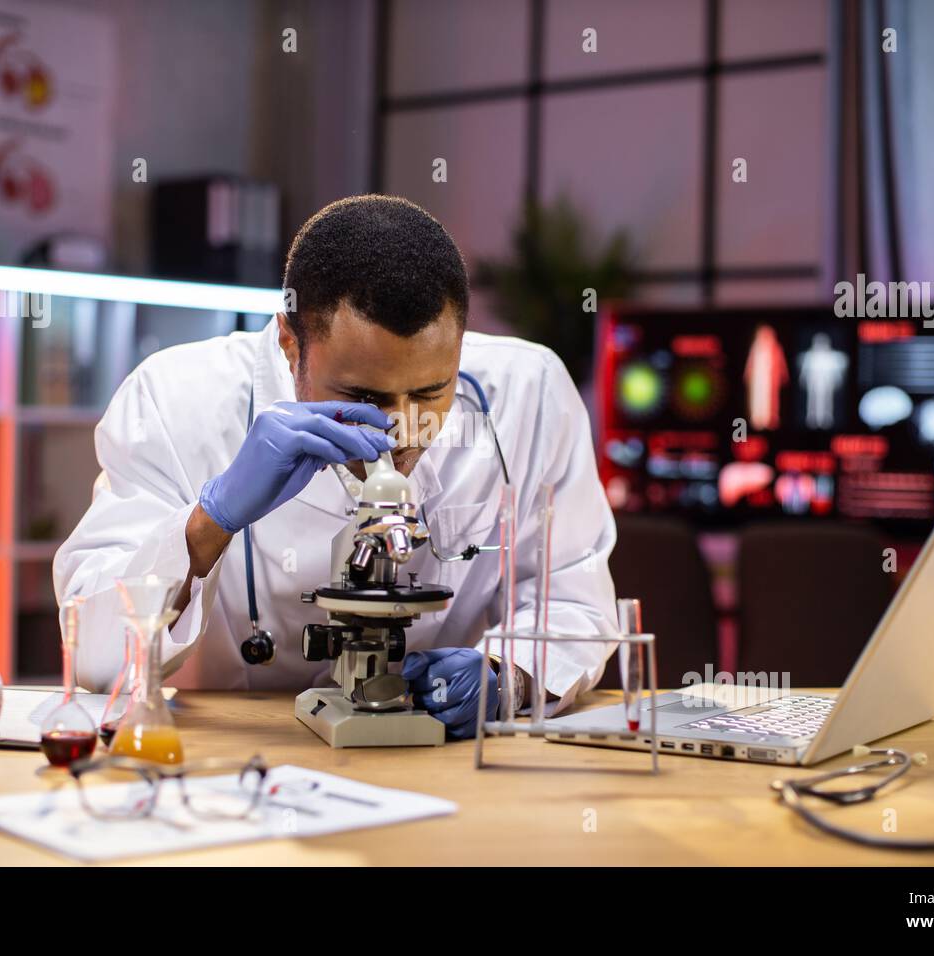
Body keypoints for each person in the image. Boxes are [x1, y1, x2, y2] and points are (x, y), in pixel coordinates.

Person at [54, 195, 618, 738]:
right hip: (230, 758)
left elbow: (572, 599)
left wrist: (507, 677)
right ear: (289, 343)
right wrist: (211, 519)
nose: (400, 429)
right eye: (362, 395)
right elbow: (95, 654)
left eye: (430, 391)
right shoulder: (174, 399)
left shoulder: (530, 393)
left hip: (443, 764)